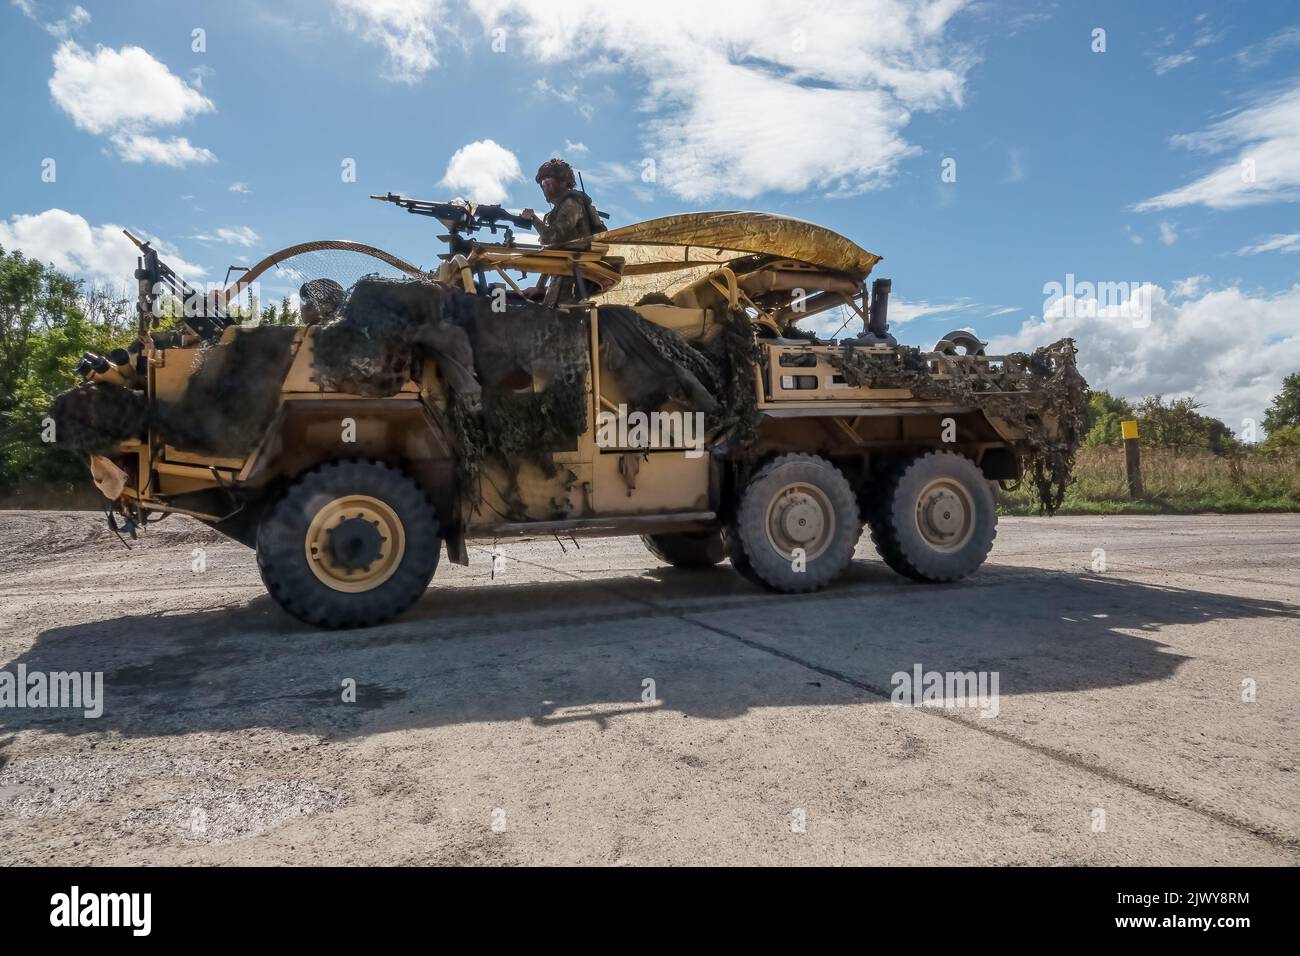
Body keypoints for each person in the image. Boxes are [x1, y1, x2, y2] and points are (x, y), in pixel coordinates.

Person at [519, 158, 606, 305]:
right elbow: (556, 251)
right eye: (543, 179)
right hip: (566, 272)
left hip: (574, 275)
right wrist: (540, 287)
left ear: (564, 181)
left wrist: (533, 218)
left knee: (551, 320)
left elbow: (553, 239)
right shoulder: (561, 208)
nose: (545, 183)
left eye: (549, 177)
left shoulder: (571, 204)